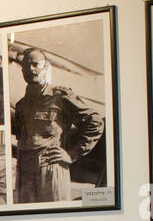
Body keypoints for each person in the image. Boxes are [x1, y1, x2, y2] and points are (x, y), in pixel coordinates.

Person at [13, 48, 104, 203]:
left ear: (46, 68)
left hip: (51, 170)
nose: (31, 69)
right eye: (26, 65)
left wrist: (72, 154)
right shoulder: (21, 105)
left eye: (36, 64)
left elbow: (95, 122)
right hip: (25, 175)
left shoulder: (60, 96)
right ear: (22, 71)